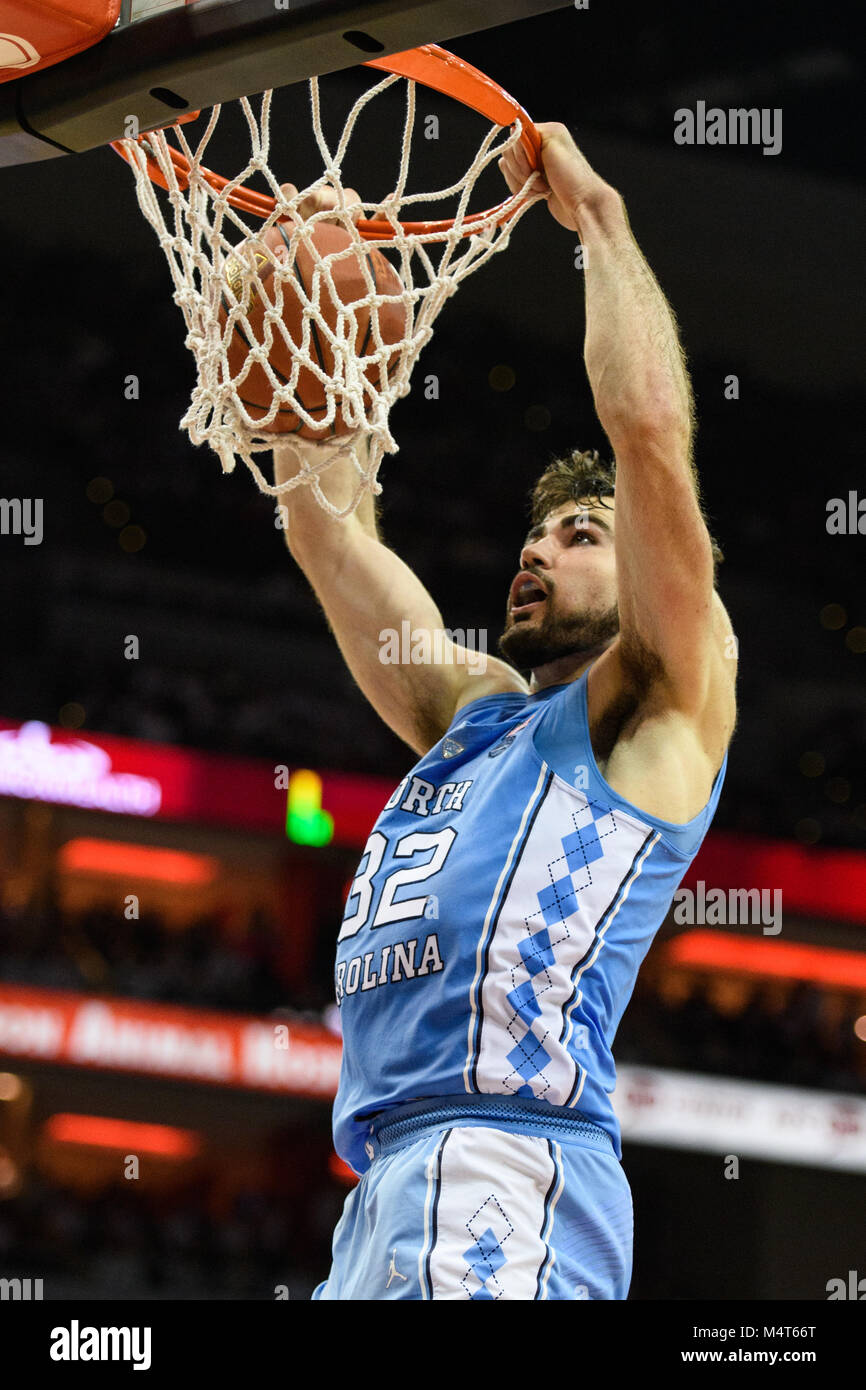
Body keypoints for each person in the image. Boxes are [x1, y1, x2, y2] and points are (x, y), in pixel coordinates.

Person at [276, 124, 738, 1300]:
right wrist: (299, 363)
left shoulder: (658, 706)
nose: (537, 548)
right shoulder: (473, 715)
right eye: (534, 531)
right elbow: (326, 531)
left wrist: (601, 225)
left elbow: (646, 438)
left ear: (643, 573)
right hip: (384, 1182)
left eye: (580, 535)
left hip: (504, 1164)